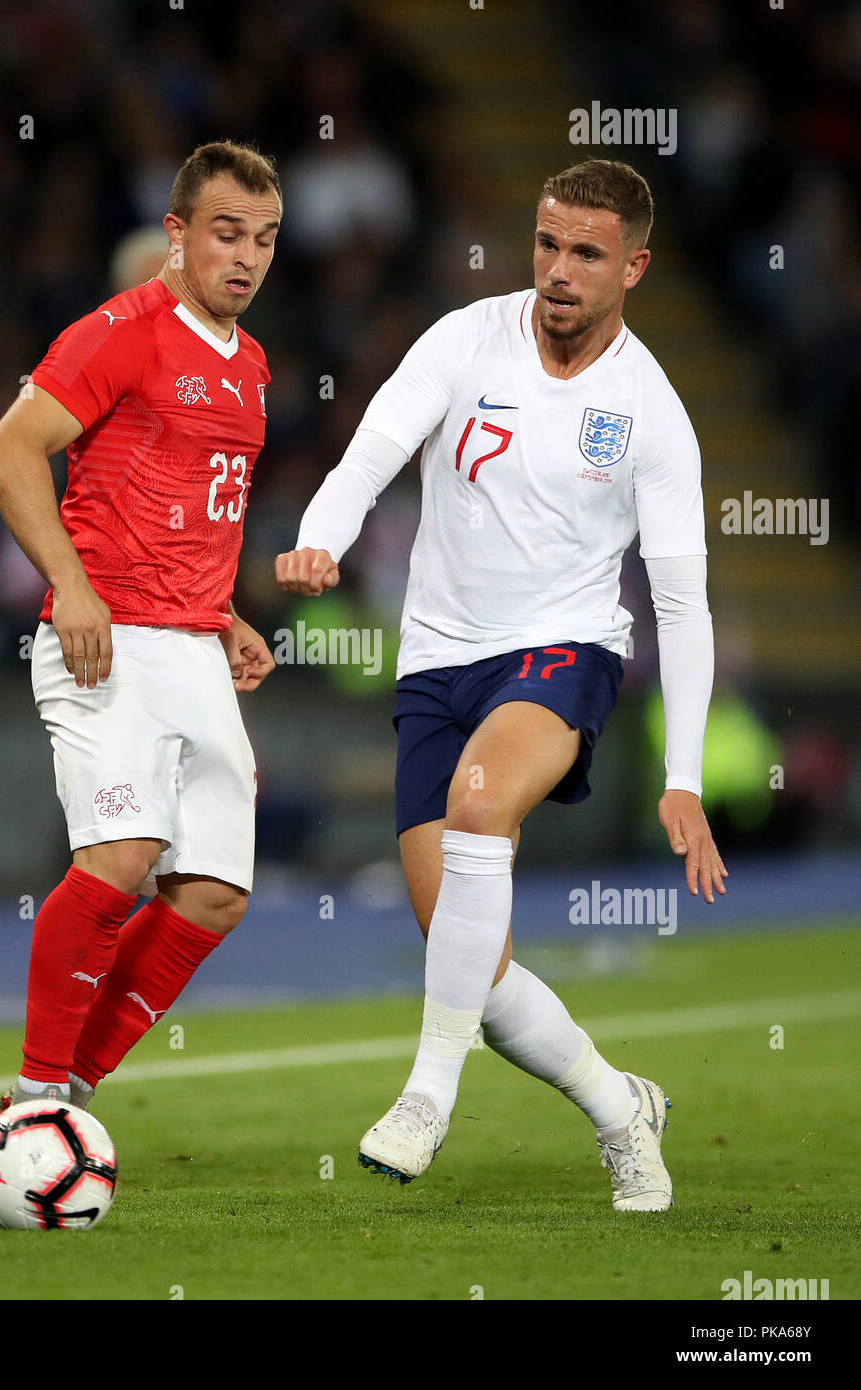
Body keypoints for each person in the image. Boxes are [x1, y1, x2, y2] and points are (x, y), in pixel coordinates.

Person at [276, 159, 727, 1211]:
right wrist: (318, 539)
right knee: (472, 964)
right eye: (545, 243)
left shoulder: (651, 412)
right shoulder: (462, 339)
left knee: (480, 804)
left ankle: (428, 1093)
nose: (558, 271)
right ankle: (623, 1110)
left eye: (586, 253)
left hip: (563, 650)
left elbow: (684, 605)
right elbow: (372, 449)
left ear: (635, 267)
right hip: (437, 659)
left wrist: (686, 774)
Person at [0, 141, 280, 1112]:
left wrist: (225, 615)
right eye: (226, 233)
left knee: (212, 894)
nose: (245, 256)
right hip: (105, 639)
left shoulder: (253, 365)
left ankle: (71, 1089)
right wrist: (70, 587)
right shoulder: (119, 331)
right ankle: (33, 1100)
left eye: (265, 239)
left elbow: (179, 505)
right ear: (178, 233)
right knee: (118, 858)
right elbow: (11, 450)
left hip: (191, 644)